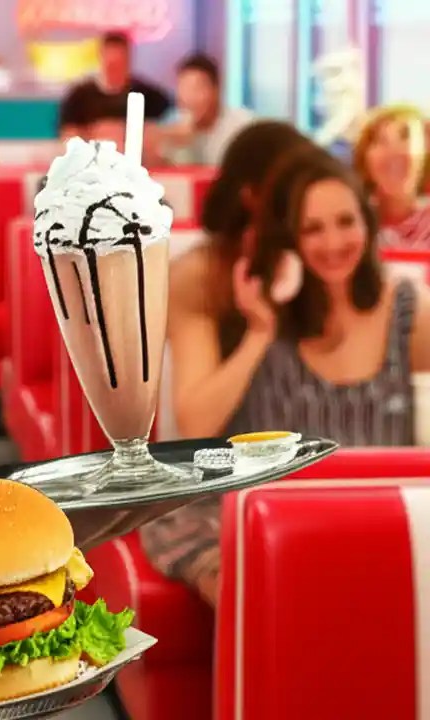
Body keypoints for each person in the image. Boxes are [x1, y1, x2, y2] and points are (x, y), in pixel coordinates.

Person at [142, 148, 430, 606]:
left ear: (367, 223)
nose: (334, 242)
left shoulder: (406, 308)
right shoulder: (257, 308)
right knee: (264, 588)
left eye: (345, 221)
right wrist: (259, 333)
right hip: (257, 517)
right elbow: (196, 424)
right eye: (313, 228)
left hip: (375, 520)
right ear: (290, 238)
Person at [57, 31, 171, 138]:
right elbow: (67, 134)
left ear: (128, 61)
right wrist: (95, 134)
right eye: (110, 65)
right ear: (100, 59)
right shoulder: (78, 97)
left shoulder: (150, 96)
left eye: (119, 64)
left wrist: (126, 131)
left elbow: (168, 130)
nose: (114, 70)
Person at [352, 105, 430, 247]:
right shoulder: (348, 222)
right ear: (364, 158)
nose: (393, 150)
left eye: (405, 136)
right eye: (380, 140)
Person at [162, 53, 254, 166]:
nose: (189, 97)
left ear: (216, 91)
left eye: (197, 88)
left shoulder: (242, 126)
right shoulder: (171, 124)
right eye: (183, 87)